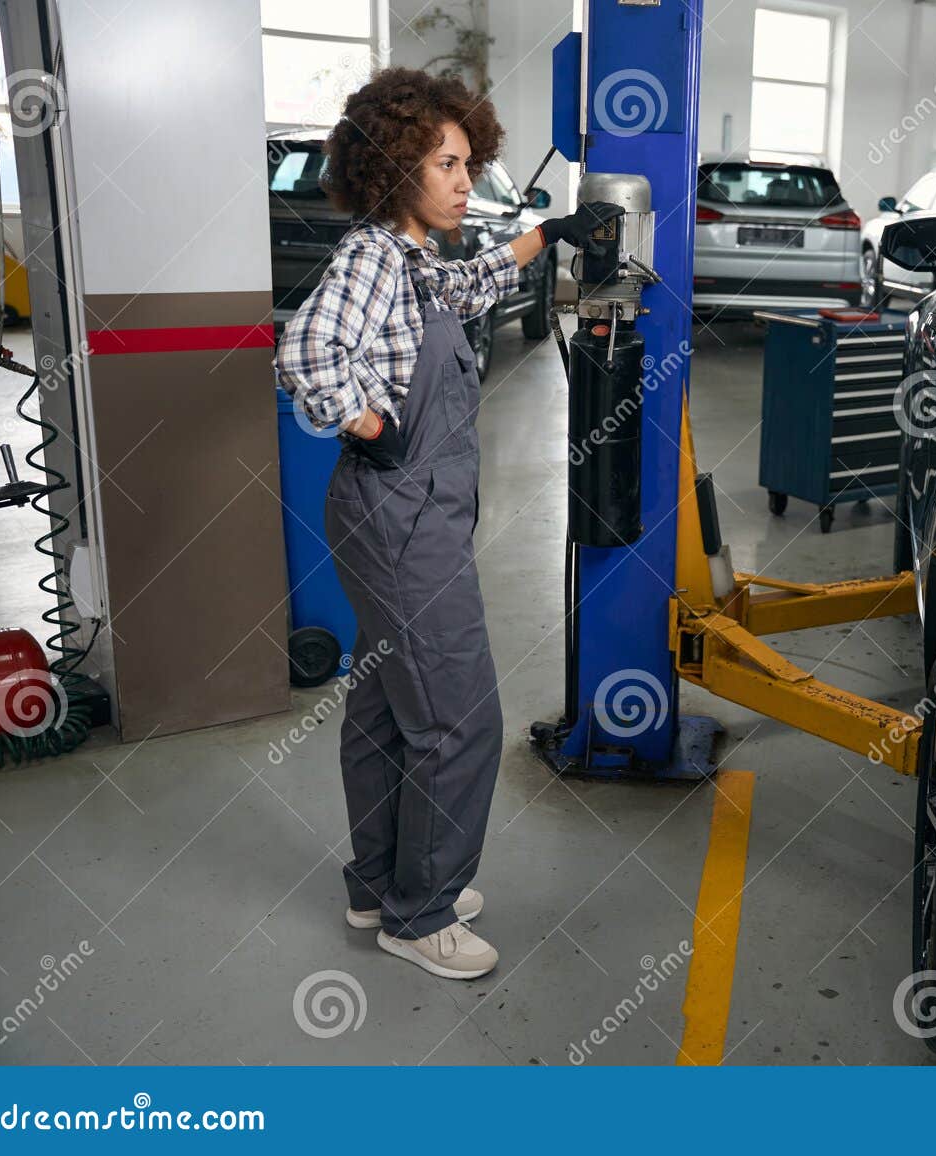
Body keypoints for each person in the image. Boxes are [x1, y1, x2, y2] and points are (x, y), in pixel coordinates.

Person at [274, 67, 622, 980]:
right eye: (447, 164)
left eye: (469, 162)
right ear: (396, 168)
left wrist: (545, 237)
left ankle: (379, 883)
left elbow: (462, 292)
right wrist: (368, 423)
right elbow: (304, 350)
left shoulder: (412, 259)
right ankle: (422, 914)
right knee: (459, 714)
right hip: (397, 511)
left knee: (388, 706)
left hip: (407, 508)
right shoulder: (369, 258)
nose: (466, 182)